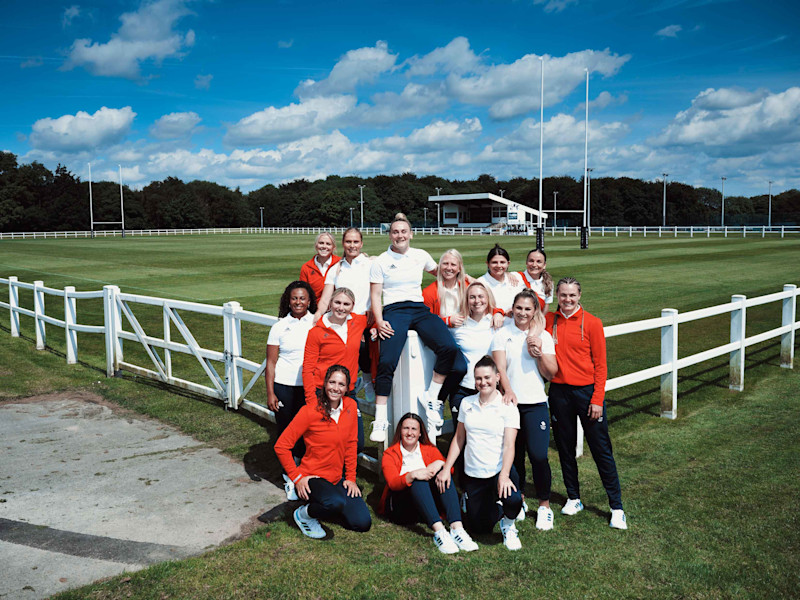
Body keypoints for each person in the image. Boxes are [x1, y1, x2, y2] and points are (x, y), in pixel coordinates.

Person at [545, 277, 628, 530]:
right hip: (559, 392)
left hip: (587, 393)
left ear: (579, 295)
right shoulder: (549, 320)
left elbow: (601, 366)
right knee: (565, 448)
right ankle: (573, 497)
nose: (567, 300)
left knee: (601, 450)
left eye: (572, 295)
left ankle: (616, 508)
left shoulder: (592, 323)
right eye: (563, 295)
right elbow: (519, 311)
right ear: (556, 296)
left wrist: (597, 399)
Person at [369, 213, 461, 441]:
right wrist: (379, 321)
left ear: (411, 234)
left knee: (448, 347)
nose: (399, 235)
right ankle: (380, 419)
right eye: (395, 232)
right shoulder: (380, 261)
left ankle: (431, 396)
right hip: (394, 310)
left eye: (403, 231)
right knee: (387, 360)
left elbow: (442, 271)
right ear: (390, 235)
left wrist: (472, 280)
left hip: (419, 309)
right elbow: (376, 294)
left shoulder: (420, 255)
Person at [435, 356, 523, 551]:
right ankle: (487, 504)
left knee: (514, 499)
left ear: (498, 377)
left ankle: (509, 525)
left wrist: (504, 475)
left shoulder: (507, 407)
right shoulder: (467, 403)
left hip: (497, 471)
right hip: (474, 475)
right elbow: (459, 439)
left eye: (487, 377)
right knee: (479, 528)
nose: (483, 382)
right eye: (478, 378)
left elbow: (509, 445)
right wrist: (446, 468)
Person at [275, 365, 371, 538]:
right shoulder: (310, 411)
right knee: (334, 502)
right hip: (312, 478)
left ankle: (332, 503)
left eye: (341, 384)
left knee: (362, 522)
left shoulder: (350, 406)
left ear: (347, 388)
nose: (335, 388)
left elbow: (351, 445)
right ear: (325, 383)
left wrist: (350, 478)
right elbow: (281, 446)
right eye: (332, 382)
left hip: (336, 478)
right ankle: (303, 514)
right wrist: (296, 478)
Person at [492, 288, 558, 530]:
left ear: (534, 311)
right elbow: (499, 368)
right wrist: (508, 391)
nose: (522, 313)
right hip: (510, 404)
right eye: (518, 308)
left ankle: (544, 505)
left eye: (527, 309)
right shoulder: (502, 334)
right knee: (514, 454)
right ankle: (518, 499)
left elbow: (551, 373)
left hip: (536, 403)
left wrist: (539, 353)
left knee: (539, 455)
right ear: (513, 308)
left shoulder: (543, 336)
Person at [379, 413, 478, 554]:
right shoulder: (390, 454)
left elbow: (450, 468)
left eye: (414, 429)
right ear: (400, 431)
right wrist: (412, 474)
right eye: (406, 428)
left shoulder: (428, 449)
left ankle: (457, 529)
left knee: (444, 474)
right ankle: (440, 533)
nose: (409, 433)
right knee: (418, 479)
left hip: (426, 501)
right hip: (401, 506)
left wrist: (441, 463)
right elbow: (393, 483)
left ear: (420, 433)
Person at [265, 281, 317, 498]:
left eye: (302, 298)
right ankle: (289, 476)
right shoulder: (279, 326)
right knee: (287, 430)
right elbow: (270, 363)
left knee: (308, 431)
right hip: (284, 386)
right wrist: (270, 392)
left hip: (309, 387)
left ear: (309, 301)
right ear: (288, 300)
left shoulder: (316, 322)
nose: (298, 302)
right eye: (294, 298)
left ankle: (305, 473)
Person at [303, 287, 367, 452]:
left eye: (346, 304)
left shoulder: (359, 322)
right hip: (322, 392)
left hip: (348, 393)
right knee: (325, 440)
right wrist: (312, 401)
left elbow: (376, 318)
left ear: (352, 306)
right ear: (330, 303)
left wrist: (375, 327)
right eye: (337, 302)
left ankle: (345, 476)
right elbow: (308, 369)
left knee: (356, 443)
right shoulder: (316, 331)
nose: (341, 307)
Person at [316, 227, 376, 401]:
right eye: (348, 241)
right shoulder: (336, 268)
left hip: (364, 319)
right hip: (341, 319)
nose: (352, 245)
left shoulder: (371, 264)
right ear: (343, 243)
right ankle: (346, 387)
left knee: (363, 349)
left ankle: (366, 380)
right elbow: (326, 298)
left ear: (362, 243)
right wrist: (316, 317)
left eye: (356, 242)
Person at [477, 244, 522, 326]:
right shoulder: (480, 283)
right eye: (494, 262)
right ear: (487, 263)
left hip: (514, 327)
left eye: (502, 262)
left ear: (508, 263)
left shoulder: (516, 278)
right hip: (490, 328)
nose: (498, 266)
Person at [299, 232, 340, 303]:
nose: (324, 246)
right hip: (315, 309)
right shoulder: (306, 267)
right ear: (316, 245)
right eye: (321, 243)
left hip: (337, 310)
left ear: (334, 248)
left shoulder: (340, 263)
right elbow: (303, 293)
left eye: (328, 244)